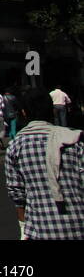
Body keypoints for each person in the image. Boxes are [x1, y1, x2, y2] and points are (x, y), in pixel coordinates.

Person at [5, 87, 84, 239]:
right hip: (78, 227)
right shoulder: (74, 140)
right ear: (53, 111)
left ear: (24, 113)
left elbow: (17, 195)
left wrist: (23, 229)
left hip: (41, 230)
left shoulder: (16, 146)